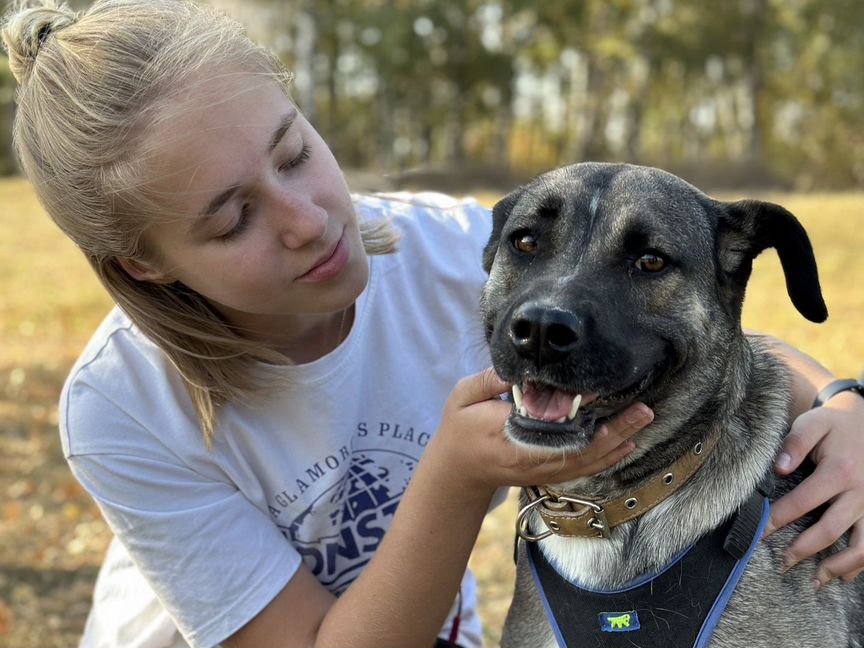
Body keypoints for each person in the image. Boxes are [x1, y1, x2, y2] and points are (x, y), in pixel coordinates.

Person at [2, 1, 863, 646]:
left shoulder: (447, 254)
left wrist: (845, 403)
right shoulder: (122, 405)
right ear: (143, 264)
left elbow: (714, 346)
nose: (308, 219)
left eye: (295, 153)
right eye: (233, 219)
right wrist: (452, 475)